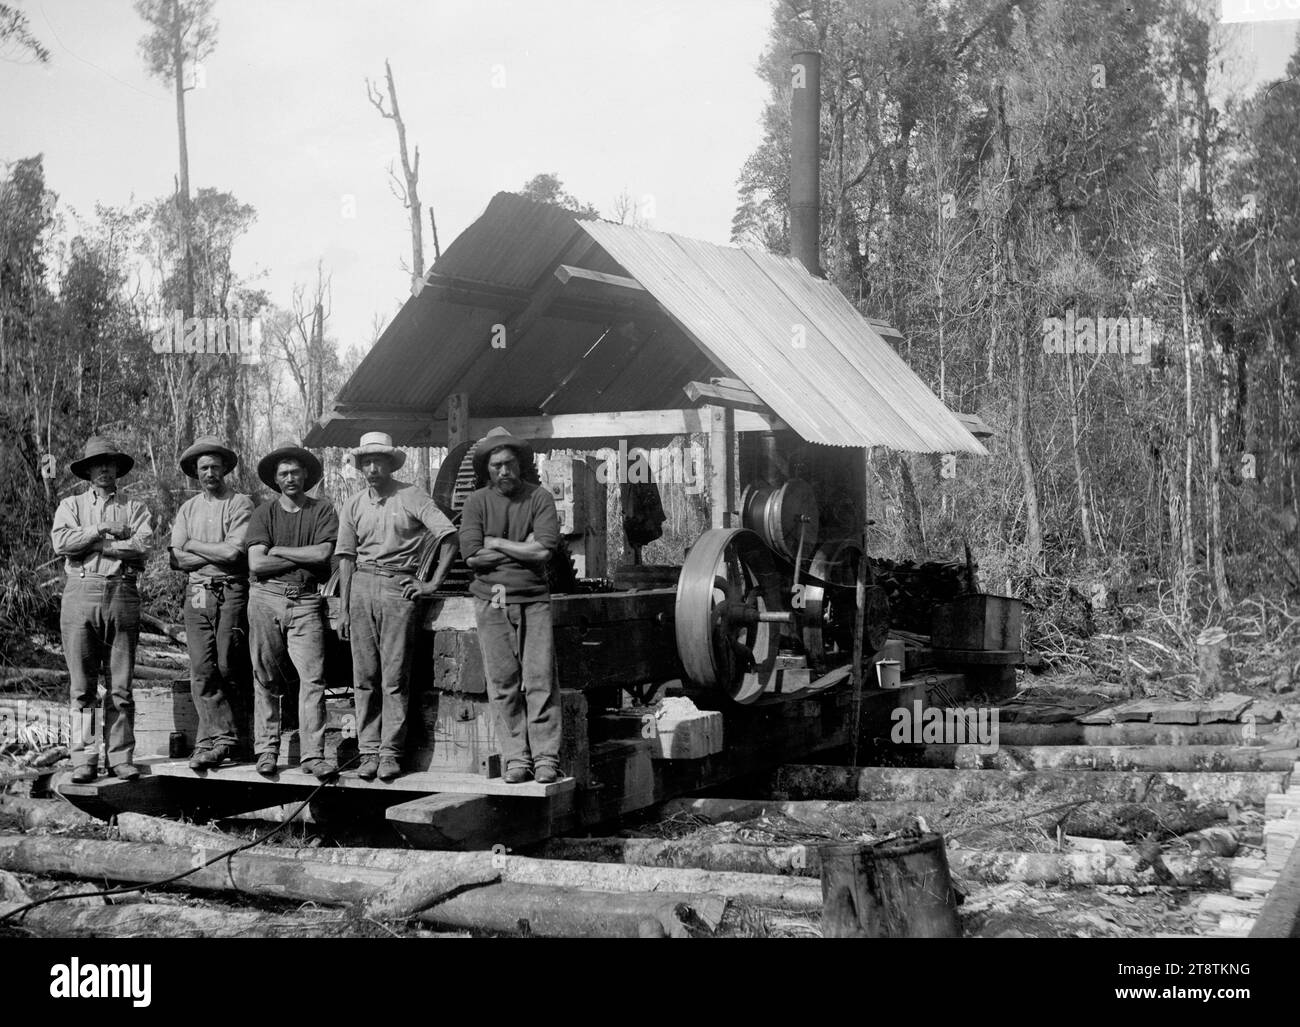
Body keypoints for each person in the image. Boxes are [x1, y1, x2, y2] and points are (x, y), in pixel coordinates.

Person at [337, 432, 456, 781]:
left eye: (379, 461)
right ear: (360, 467)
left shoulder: (410, 496)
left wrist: (432, 583)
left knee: (394, 676)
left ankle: (390, 752)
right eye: (366, 462)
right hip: (360, 587)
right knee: (364, 676)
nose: (373, 468)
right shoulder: (354, 503)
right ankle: (368, 751)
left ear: (391, 464)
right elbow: (345, 557)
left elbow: (448, 535)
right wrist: (344, 609)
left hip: (397, 587)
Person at [459, 427, 562, 785]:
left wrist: (497, 542)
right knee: (503, 681)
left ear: (521, 465)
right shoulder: (475, 503)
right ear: (487, 470)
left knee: (540, 679)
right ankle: (517, 758)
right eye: (496, 465)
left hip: (533, 597)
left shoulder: (540, 499)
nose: (504, 471)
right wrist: (522, 546)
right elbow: (472, 558)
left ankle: (547, 758)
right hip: (494, 597)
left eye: (510, 463)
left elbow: (544, 552)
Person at [51, 436, 152, 783]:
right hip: (80, 592)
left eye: (109, 463)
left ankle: (121, 757)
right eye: (98, 463)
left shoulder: (135, 507)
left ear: (117, 469)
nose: (104, 469)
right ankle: (84, 758)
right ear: (89, 471)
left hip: (122, 593)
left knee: (120, 686)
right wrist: (101, 528)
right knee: (82, 686)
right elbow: (62, 543)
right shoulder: (71, 505)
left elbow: (142, 547)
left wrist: (94, 544)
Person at [244, 442, 338, 780]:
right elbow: (256, 562)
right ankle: (267, 750)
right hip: (266, 599)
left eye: (295, 472)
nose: (290, 478)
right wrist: (301, 552)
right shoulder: (264, 513)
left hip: (307, 601)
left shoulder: (322, 510)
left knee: (313, 679)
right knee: (266, 677)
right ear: (276, 479)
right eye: (283, 473)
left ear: (305, 475)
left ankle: (312, 755)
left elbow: (324, 555)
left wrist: (279, 550)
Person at [170, 436, 253, 770]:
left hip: (230, 589)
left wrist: (193, 544)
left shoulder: (239, 503)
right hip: (197, 592)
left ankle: (228, 739)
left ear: (225, 470)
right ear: (196, 472)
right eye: (203, 468)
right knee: (202, 668)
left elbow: (234, 553)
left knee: (228, 663)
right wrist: (208, 551)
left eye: (215, 467)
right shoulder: (188, 508)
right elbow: (177, 559)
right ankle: (219, 740)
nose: (209, 473)